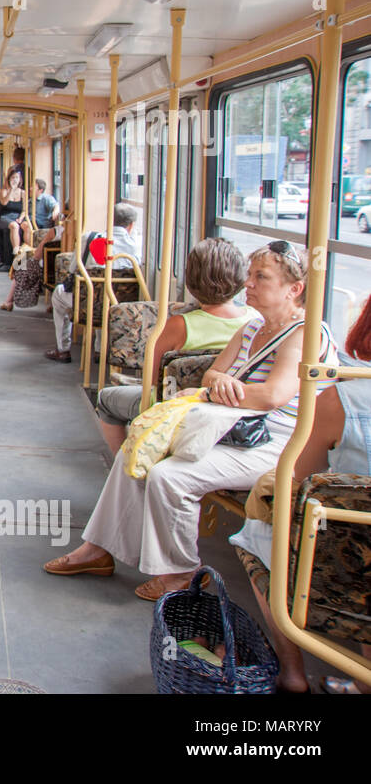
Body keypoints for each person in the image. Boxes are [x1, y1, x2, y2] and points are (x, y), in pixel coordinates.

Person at [43, 242, 336, 601]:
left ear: (295, 289)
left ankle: (181, 573)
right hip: (235, 427)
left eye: (261, 277)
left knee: (170, 476)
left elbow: (274, 395)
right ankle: (98, 548)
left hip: (278, 442)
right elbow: (213, 374)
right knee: (139, 447)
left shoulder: (305, 334)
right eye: (251, 274)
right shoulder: (252, 329)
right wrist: (221, 384)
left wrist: (221, 391)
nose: (249, 284)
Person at [237, 295, 371, 694]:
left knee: (257, 533)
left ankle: (293, 674)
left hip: (345, 567)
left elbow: (298, 476)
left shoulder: (340, 401)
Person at [92, 238, 256, 453]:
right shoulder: (254, 321)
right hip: (231, 410)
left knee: (105, 400)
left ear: (190, 280)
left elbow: (153, 379)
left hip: (172, 406)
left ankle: (124, 464)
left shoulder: (178, 325)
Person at [43, 203, 142, 363]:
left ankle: (63, 349)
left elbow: (74, 268)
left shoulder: (89, 239)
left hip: (89, 306)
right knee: (107, 297)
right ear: (131, 226)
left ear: (109, 221)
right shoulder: (138, 247)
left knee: (60, 296)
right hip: (125, 309)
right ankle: (99, 350)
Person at [0, 169, 25, 271]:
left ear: (20, 180)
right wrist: (11, 190)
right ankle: (16, 251)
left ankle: (14, 257)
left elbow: (24, 210)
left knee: (16, 225)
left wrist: (20, 218)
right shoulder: (4, 191)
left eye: (17, 178)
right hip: (5, 217)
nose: (15, 180)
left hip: (17, 217)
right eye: (13, 178)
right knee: (14, 226)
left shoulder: (23, 193)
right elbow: (4, 203)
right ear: (9, 179)